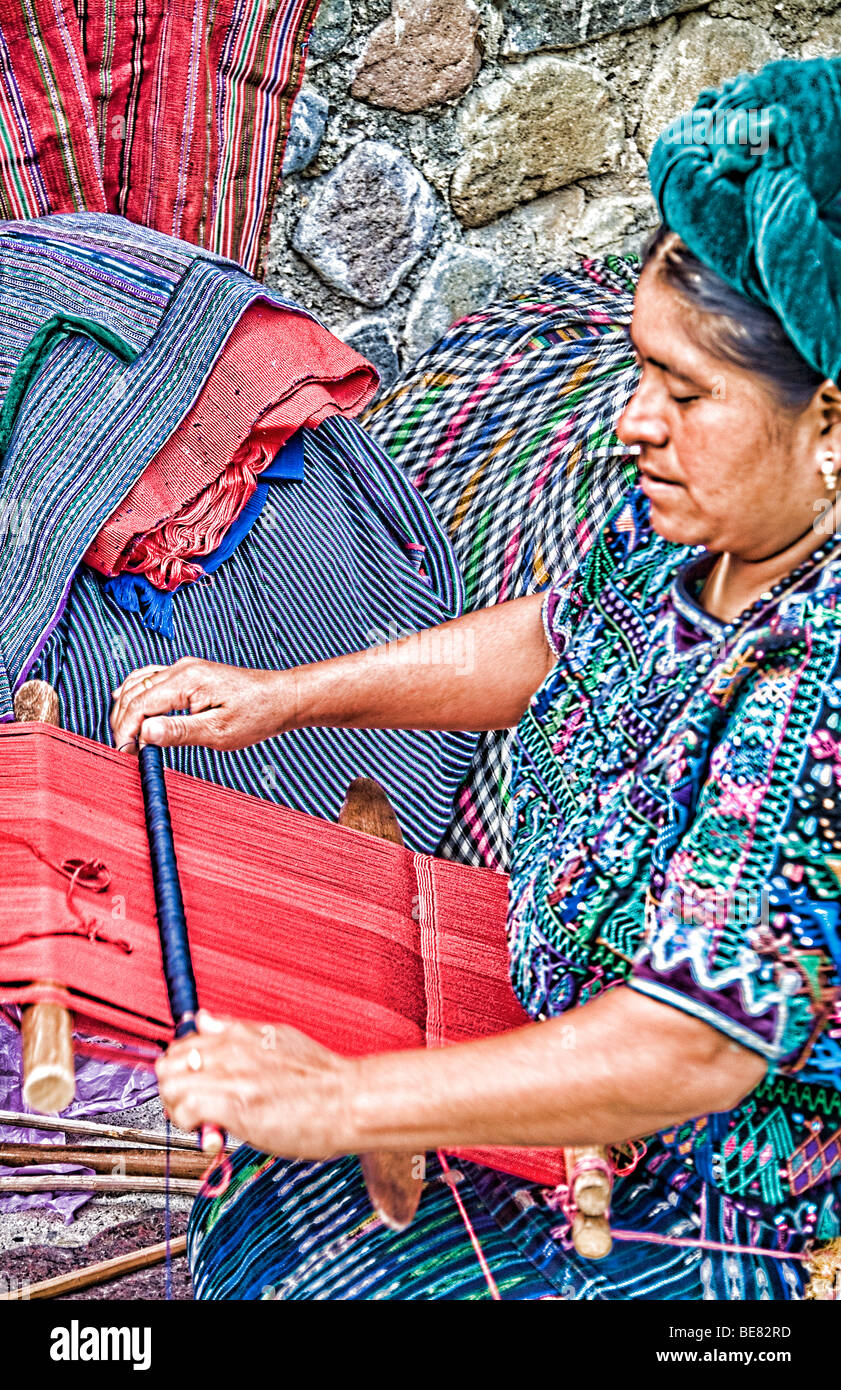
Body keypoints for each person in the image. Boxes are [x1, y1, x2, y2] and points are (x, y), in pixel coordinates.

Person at [111, 56, 841, 1300]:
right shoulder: (709, 523)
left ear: (828, 422)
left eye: (683, 391)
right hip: (550, 1034)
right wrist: (284, 694)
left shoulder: (812, 674)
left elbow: (692, 1040)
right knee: (258, 1196)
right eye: (636, 371)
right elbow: (565, 633)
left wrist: (350, 1097)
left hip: (716, 1205)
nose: (632, 420)